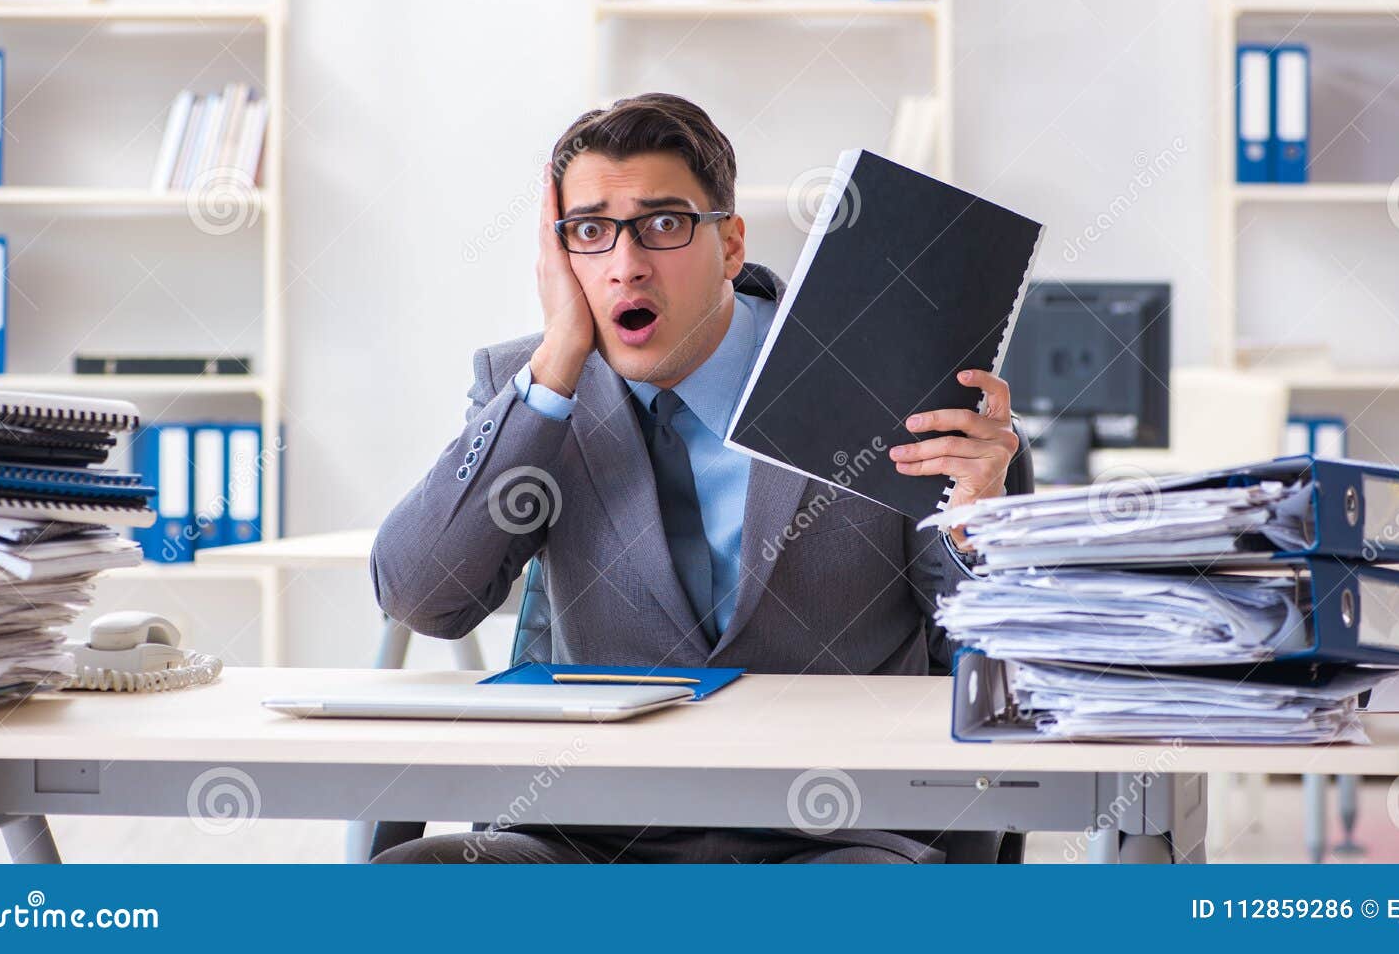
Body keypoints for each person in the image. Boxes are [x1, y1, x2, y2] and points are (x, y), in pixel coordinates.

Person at [370, 93, 1021, 863]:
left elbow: (1004, 670)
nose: (626, 265)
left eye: (664, 224)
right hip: (590, 841)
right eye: (589, 232)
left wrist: (980, 525)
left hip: (838, 836)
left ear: (732, 244)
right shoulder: (532, 388)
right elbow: (421, 598)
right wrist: (552, 374)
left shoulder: (880, 375)